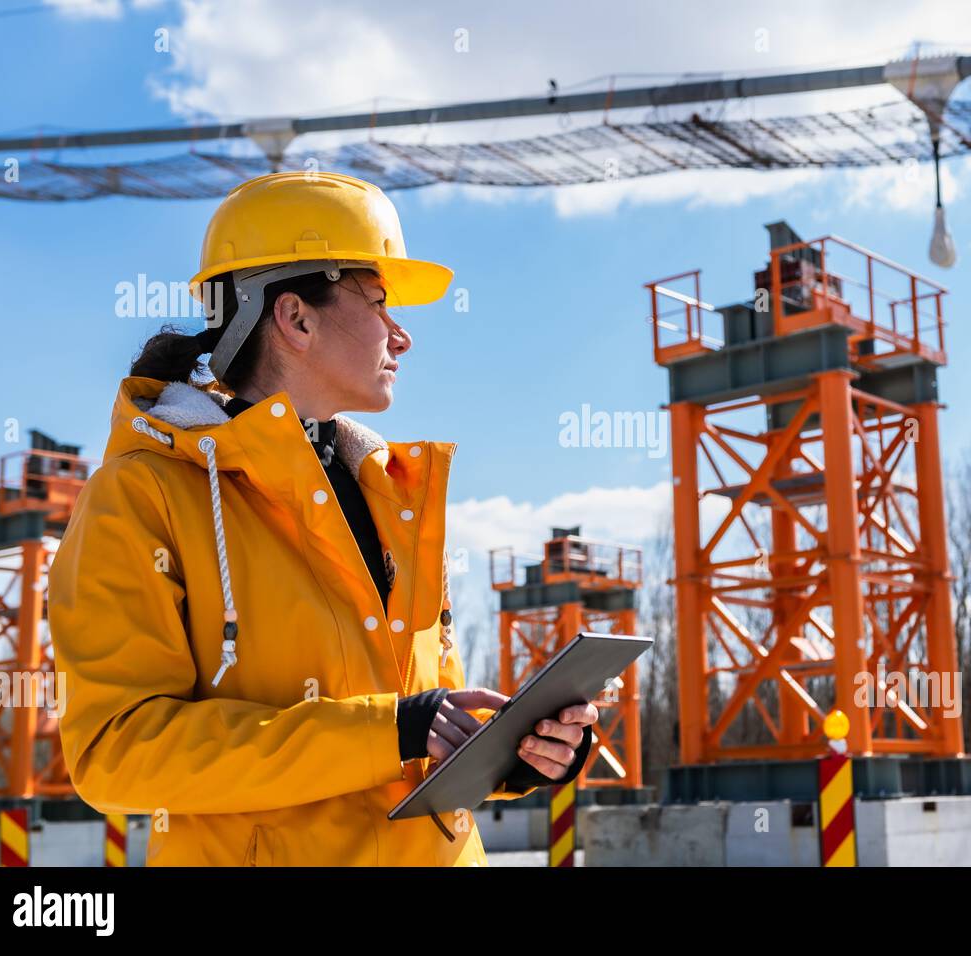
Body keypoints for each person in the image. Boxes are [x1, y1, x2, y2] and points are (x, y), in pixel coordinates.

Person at [47, 171, 596, 866]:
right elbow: (116, 751)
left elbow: (417, 724)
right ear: (296, 318)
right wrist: (389, 731)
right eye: (378, 304)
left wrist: (512, 755)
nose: (402, 338)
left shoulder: (389, 494)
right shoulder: (140, 498)